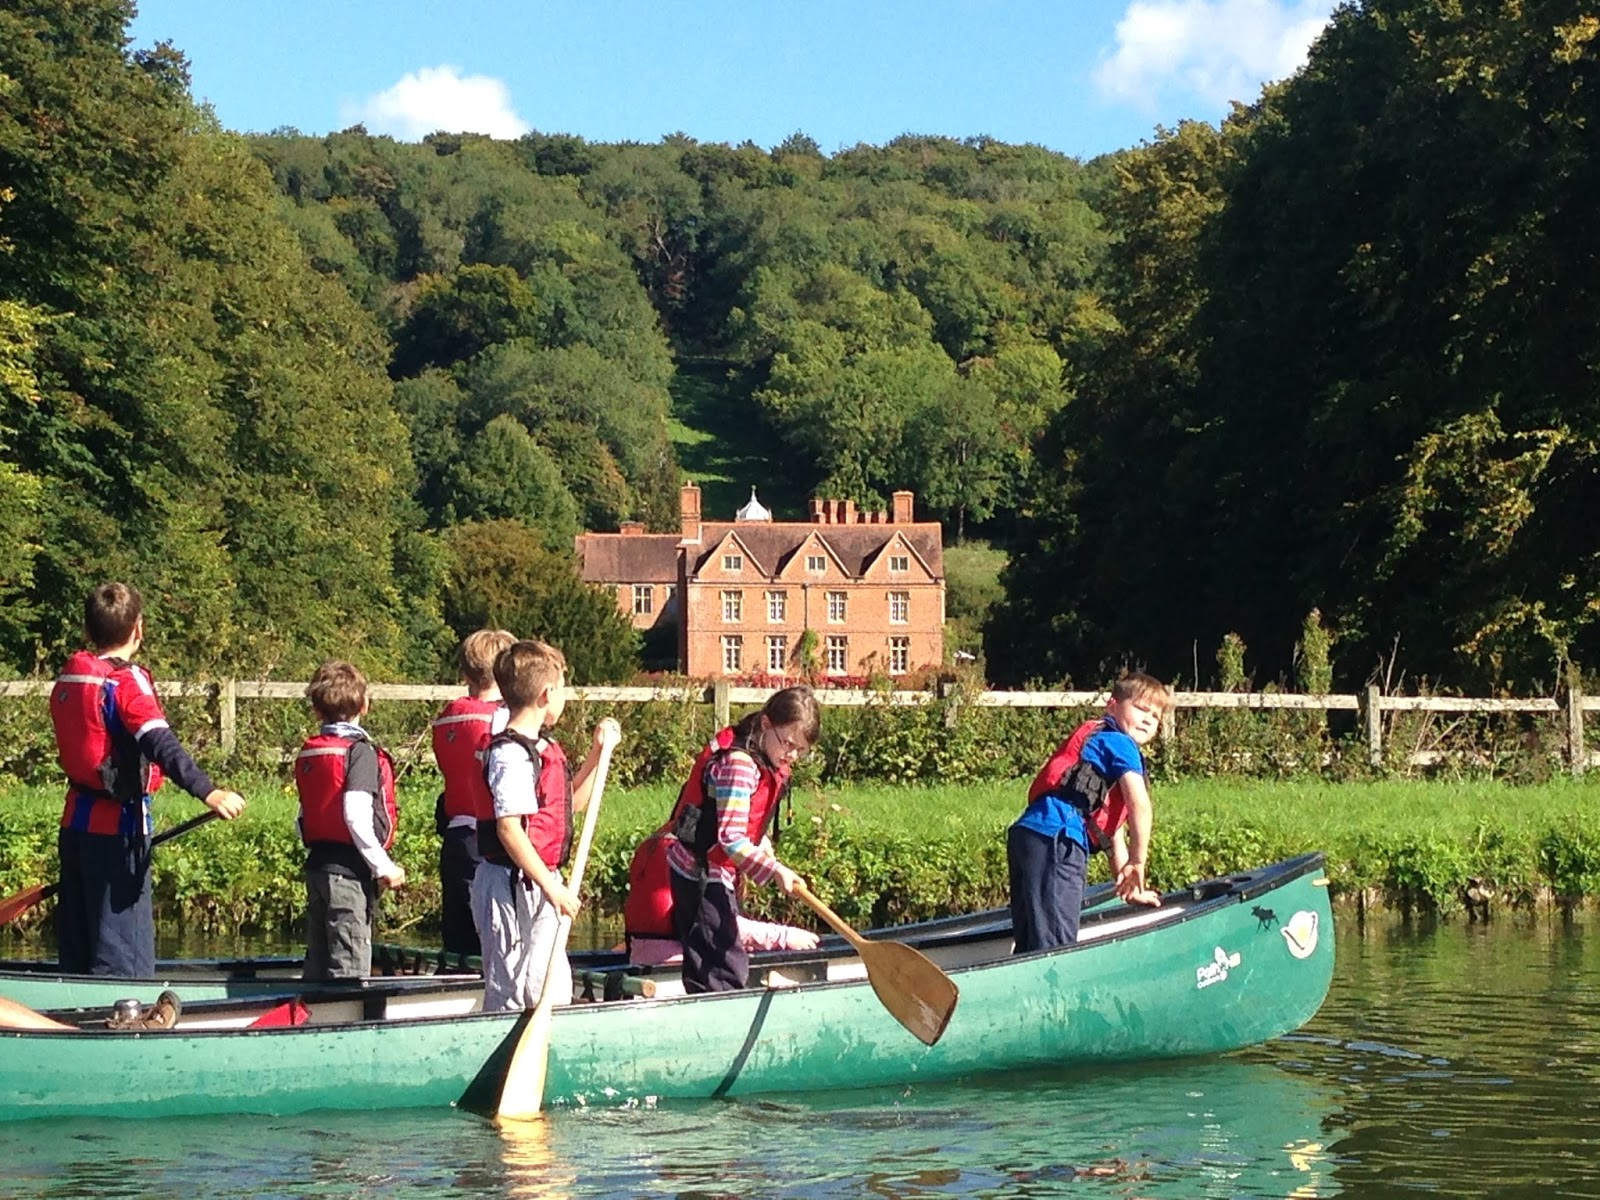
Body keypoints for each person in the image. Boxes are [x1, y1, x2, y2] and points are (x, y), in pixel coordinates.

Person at [50, 582, 247, 977]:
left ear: (88, 632)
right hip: (118, 835)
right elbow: (161, 743)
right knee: (124, 958)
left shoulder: (71, 676)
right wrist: (209, 791)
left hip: (74, 829)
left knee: (79, 948)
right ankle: (125, 1027)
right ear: (138, 629)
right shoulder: (127, 682)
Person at [470, 639, 619, 1012]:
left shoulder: (542, 748)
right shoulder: (511, 754)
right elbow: (509, 830)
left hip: (540, 882)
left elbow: (570, 804)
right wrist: (553, 887)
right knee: (511, 989)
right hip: (512, 883)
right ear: (546, 693)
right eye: (563, 688)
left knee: (550, 986)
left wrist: (598, 753)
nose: (565, 697)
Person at [658, 686, 821, 993]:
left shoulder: (766, 757)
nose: (792, 755)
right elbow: (731, 838)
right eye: (787, 743)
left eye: (801, 750)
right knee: (722, 964)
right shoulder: (739, 765)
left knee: (722, 954)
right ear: (765, 724)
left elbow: (746, 826)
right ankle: (719, 1015)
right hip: (699, 873)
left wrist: (763, 850)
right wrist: (774, 870)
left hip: (718, 870)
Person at [1008, 671, 1173, 953]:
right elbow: (1140, 806)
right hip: (1059, 840)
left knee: (1034, 935)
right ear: (1112, 706)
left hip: (1029, 835)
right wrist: (1139, 862)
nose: (1148, 719)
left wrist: (1128, 882)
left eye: (1156, 716)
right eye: (1141, 708)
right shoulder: (1121, 743)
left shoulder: (1099, 742)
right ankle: (1055, 992)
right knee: (1056, 943)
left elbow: (1112, 834)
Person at [294, 660, 405, 980]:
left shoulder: (309, 752)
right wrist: (383, 866)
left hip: (317, 868)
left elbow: (302, 816)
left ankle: (311, 1019)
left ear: (316, 711)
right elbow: (356, 815)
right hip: (349, 875)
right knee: (350, 965)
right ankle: (346, 1021)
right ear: (365, 705)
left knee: (317, 960)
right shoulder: (359, 752)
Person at [431, 628, 516, 959]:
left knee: (459, 941)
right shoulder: (505, 719)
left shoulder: (447, 719)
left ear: (466, 672)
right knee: (496, 943)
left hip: (456, 839)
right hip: (492, 841)